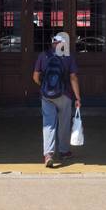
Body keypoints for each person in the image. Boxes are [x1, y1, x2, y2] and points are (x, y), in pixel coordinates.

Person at [33, 32, 81, 168]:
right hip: (64, 95)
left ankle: (48, 154)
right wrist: (77, 97)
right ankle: (64, 151)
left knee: (48, 124)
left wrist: (44, 87)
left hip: (46, 96)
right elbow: (73, 78)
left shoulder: (43, 56)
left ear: (53, 43)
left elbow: (35, 76)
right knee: (64, 123)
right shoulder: (68, 57)